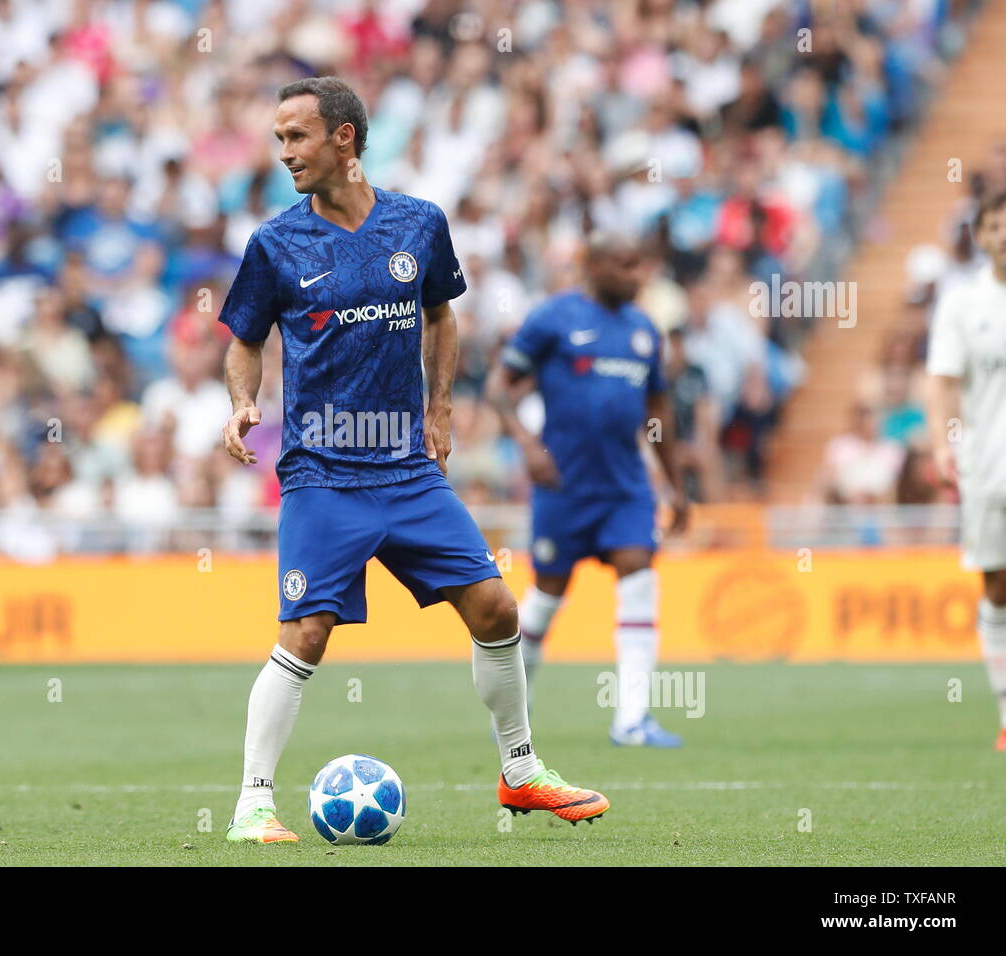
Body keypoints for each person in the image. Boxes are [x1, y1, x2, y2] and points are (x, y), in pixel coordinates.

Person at [217, 76, 610, 844]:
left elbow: (441, 317)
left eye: (296, 136)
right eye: (279, 138)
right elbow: (244, 339)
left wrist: (440, 407)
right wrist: (241, 401)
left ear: (344, 138)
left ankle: (521, 771)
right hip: (323, 471)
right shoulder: (275, 243)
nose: (284, 152)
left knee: (496, 609)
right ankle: (252, 805)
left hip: (406, 468)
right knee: (307, 632)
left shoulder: (419, 224)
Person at [486, 233, 689, 747]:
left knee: (639, 578)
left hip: (626, 487)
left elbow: (658, 411)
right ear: (594, 266)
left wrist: (676, 486)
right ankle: (515, 712)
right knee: (546, 598)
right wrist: (527, 445)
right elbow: (498, 386)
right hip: (564, 485)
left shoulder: (644, 330)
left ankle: (631, 721)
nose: (637, 276)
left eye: (639, 265)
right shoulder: (553, 318)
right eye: (625, 265)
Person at [926, 188, 1006, 751]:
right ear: (981, 236)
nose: (1004, 236)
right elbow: (943, 380)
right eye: (995, 226)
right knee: (998, 586)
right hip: (990, 465)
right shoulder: (962, 302)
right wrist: (942, 444)